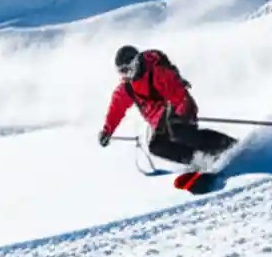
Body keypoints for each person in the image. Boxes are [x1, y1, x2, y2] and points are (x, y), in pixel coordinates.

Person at [97, 45, 236, 167]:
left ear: (135, 64)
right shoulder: (127, 88)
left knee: (178, 132)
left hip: (180, 105)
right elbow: (116, 108)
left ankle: (227, 145)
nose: (125, 76)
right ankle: (199, 160)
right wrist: (107, 131)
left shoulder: (156, 71)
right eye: (122, 72)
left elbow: (177, 92)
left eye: (127, 70)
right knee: (156, 146)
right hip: (161, 120)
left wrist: (181, 113)